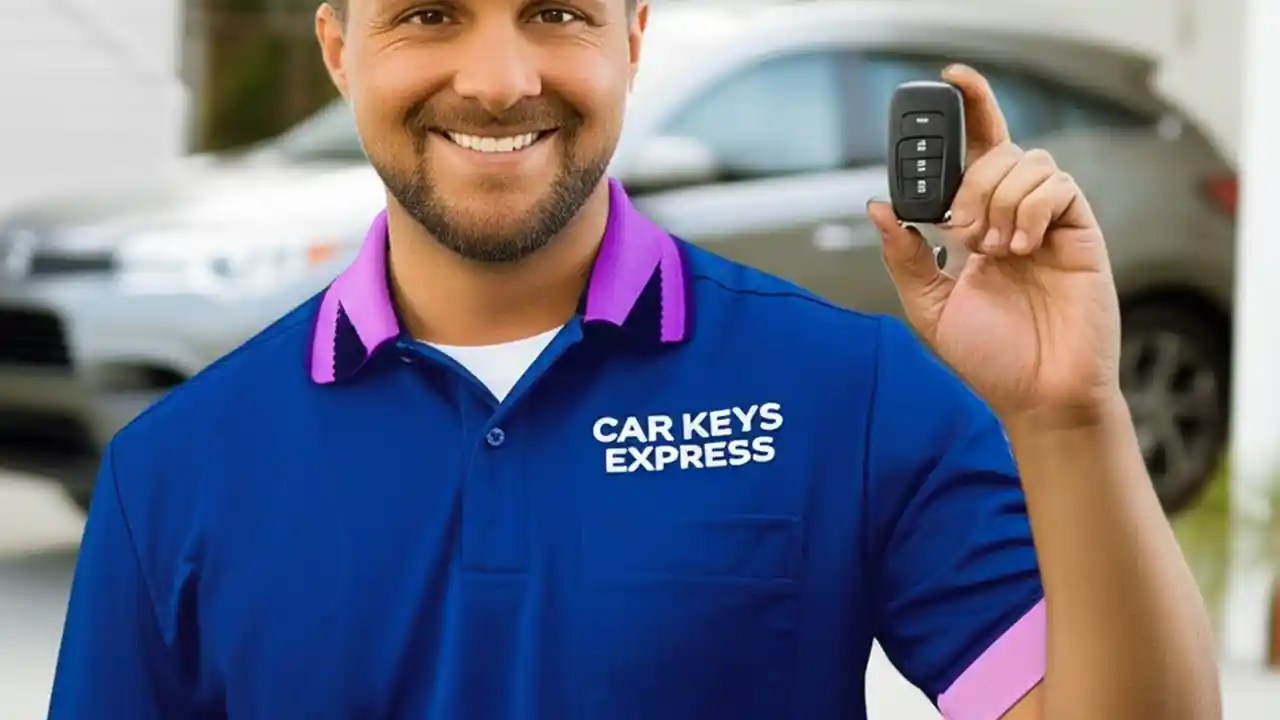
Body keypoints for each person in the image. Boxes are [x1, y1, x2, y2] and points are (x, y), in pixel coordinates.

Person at [48, 1, 1220, 718]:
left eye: (556, 10)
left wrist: (1072, 421)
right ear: (340, 47)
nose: (500, 79)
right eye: (427, 13)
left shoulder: (851, 395)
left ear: (634, 34)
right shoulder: (174, 469)